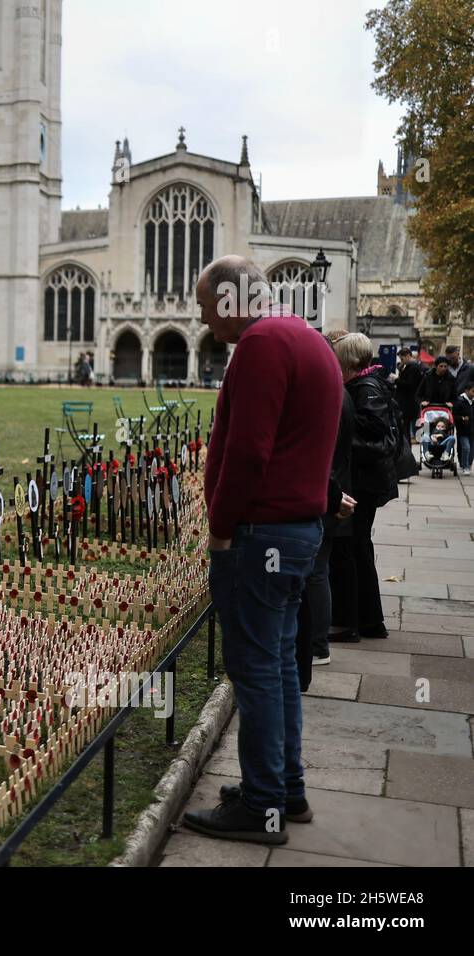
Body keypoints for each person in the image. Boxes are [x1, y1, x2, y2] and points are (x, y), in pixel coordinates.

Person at [182, 256, 340, 846]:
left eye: (204, 305)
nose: (202, 317)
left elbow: (249, 451)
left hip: (261, 536)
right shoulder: (303, 335)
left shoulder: (262, 344)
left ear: (229, 299)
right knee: (275, 667)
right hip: (297, 531)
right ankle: (284, 788)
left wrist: (221, 526)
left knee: (254, 670)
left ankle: (262, 805)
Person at [329, 333, 400, 643]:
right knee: (358, 548)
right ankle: (369, 621)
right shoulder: (363, 386)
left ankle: (349, 623)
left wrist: (341, 440)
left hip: (362, 483)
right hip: (365, 481)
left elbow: (377, 436)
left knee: (350, 550)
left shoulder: (365, 388)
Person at [297, 340, 357, 680]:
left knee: (317, 573)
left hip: (328, 496)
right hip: (333, 494)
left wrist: (331, 498)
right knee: (319, 571)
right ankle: (317, 644)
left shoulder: (331, 396)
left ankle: (317, 646)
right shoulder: (339, 391)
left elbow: (325, 456)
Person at [394, 347, 423, 438]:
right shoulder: (408, 367)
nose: (401, 361)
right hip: (407, 401)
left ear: (407, 356)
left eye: (402, 358)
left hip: (409, 402)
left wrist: (396, 379)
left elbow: (410, 385)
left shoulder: (413, 367)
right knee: (405, 427)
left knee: (406, 427)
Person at [455, 381, 474, 476]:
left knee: (471, 450)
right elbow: (455, 416)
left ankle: (468, 464)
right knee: (466, 447)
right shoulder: (460, 402)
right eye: (472, 391)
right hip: (463, 430)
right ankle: (465, 466)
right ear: (466, 391)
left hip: (472, 430)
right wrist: (462, 418)